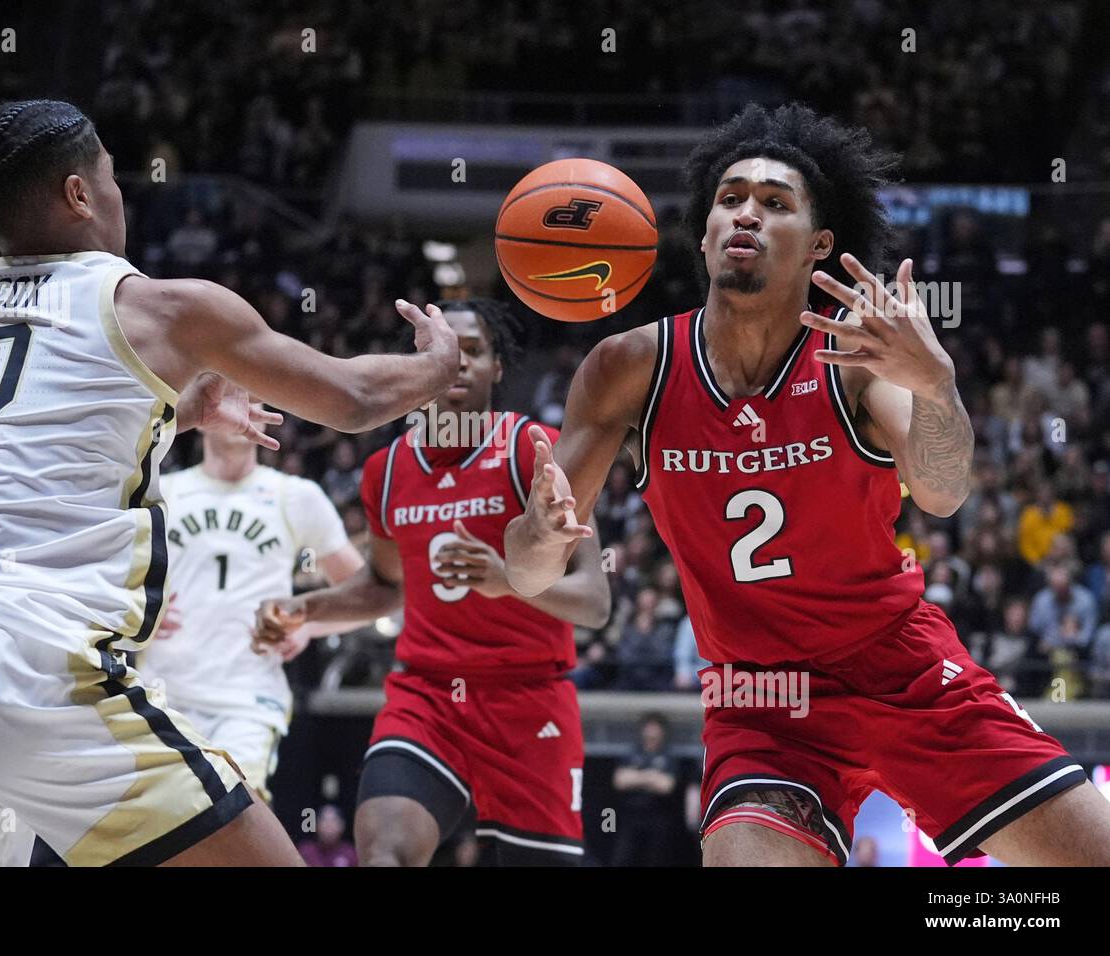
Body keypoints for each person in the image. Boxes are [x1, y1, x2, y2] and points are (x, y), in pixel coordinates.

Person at [0, 99, 459, 868]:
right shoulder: (160, 306)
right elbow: (354, 398)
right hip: (24, 672)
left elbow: (16, 446)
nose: (119, 194)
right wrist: (439, 365)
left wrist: (170, 415)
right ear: (79, 193)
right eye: (111, 176)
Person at [506, 103, 1110, 867]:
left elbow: (942, 491)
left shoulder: (853, 354)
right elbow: (529, 574)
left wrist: (935, 385)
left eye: (774, 202)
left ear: (820, 243)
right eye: (729, 199)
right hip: (761, 704)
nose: (745, 213)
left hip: (903, 669)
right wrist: (539, 533)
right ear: (704, 233)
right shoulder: (629, 368)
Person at [255, 299, 611, 866]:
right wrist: (305, 610)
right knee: (385, 854)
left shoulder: (536, 450)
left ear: (497, 367)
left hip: (529, 698)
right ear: (420, 367)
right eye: (445, 350)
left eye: (475, 350)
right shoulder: (386, 471)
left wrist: (506, 579)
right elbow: (386, 587)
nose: (460, 362)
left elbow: (595, 602)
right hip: (428, 696)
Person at [139, 425, 366, 802]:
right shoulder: (162, 491)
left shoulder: (295, 495)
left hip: (249, 699)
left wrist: (309, 625)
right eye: (232, 397)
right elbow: (102, 579)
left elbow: (366, 592)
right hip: (162, 693)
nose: (245, 409)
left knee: (236, 811)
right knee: (162, 823)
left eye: (256, 401)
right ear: (205, 411)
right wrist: (140, 612)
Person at [610, 714, 678, 866]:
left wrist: (636, 776)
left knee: (655, 859)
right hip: (631, 816)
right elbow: (620, 781)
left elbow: (666, 786)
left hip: (657, 816)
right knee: (623, 857)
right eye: (649, 727)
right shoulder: (631, 752)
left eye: (655, 728)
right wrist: (651, 776)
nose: (651, 732)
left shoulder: (667, 755)